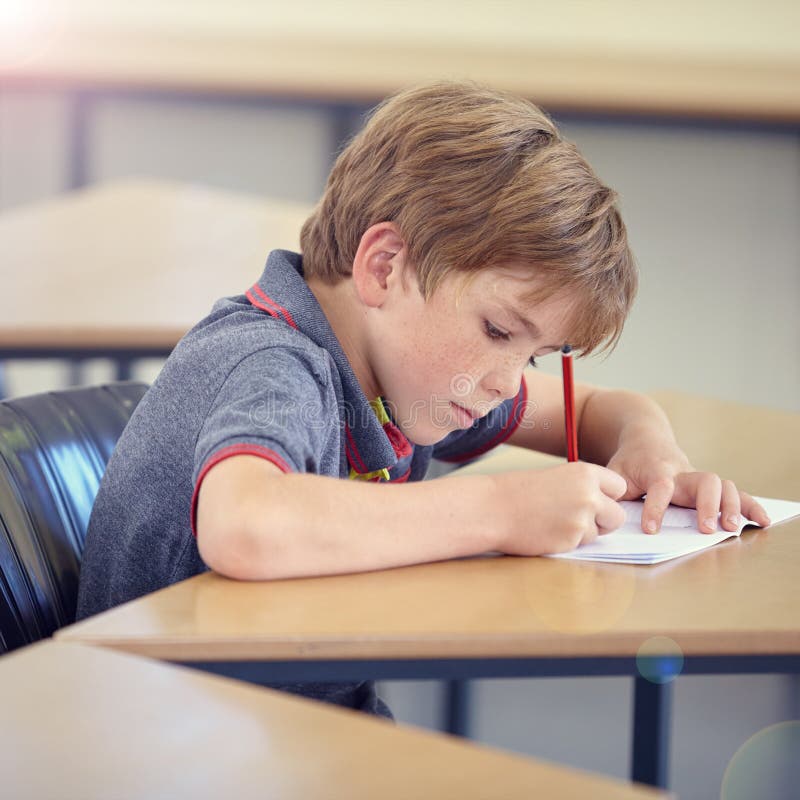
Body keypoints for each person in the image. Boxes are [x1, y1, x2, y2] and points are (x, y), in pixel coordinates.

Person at [75, 82, 769, 718]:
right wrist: (501, 510)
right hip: (175, 743)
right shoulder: (273, 361)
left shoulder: (407, 379)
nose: (506, 378)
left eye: (530, 355)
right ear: (384, 267)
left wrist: (653, 453)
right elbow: (247, 524)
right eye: (498, 331)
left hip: (287, 730)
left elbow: (598, 412)